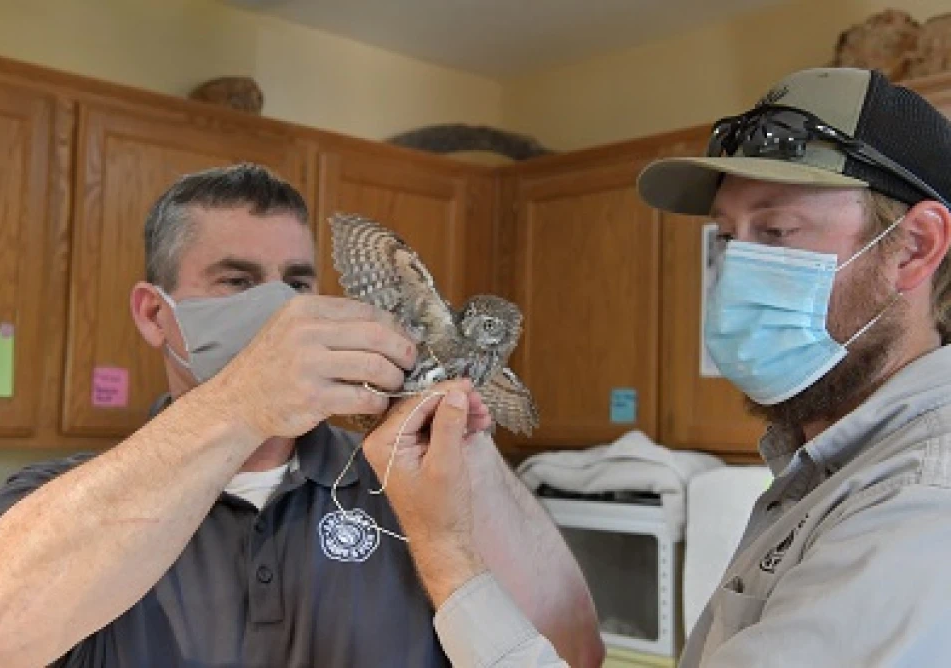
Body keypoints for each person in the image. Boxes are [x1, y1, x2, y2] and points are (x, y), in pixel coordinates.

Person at [360, 66, 951, 667]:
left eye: (775, 231)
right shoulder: (824, 468)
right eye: (725, 238)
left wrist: (441, 545)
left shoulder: (922, 508)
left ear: (915, 247)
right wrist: (470, 468)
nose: (735, 273)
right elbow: (575, 646)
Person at [0, 164, 604, 668]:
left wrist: (459, 419)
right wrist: (240, 401)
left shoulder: (407, 495)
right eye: (237, 281)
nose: (280, 309)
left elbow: (572, 651)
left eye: (296, 283)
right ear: (155, 315)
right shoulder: (60, 500)